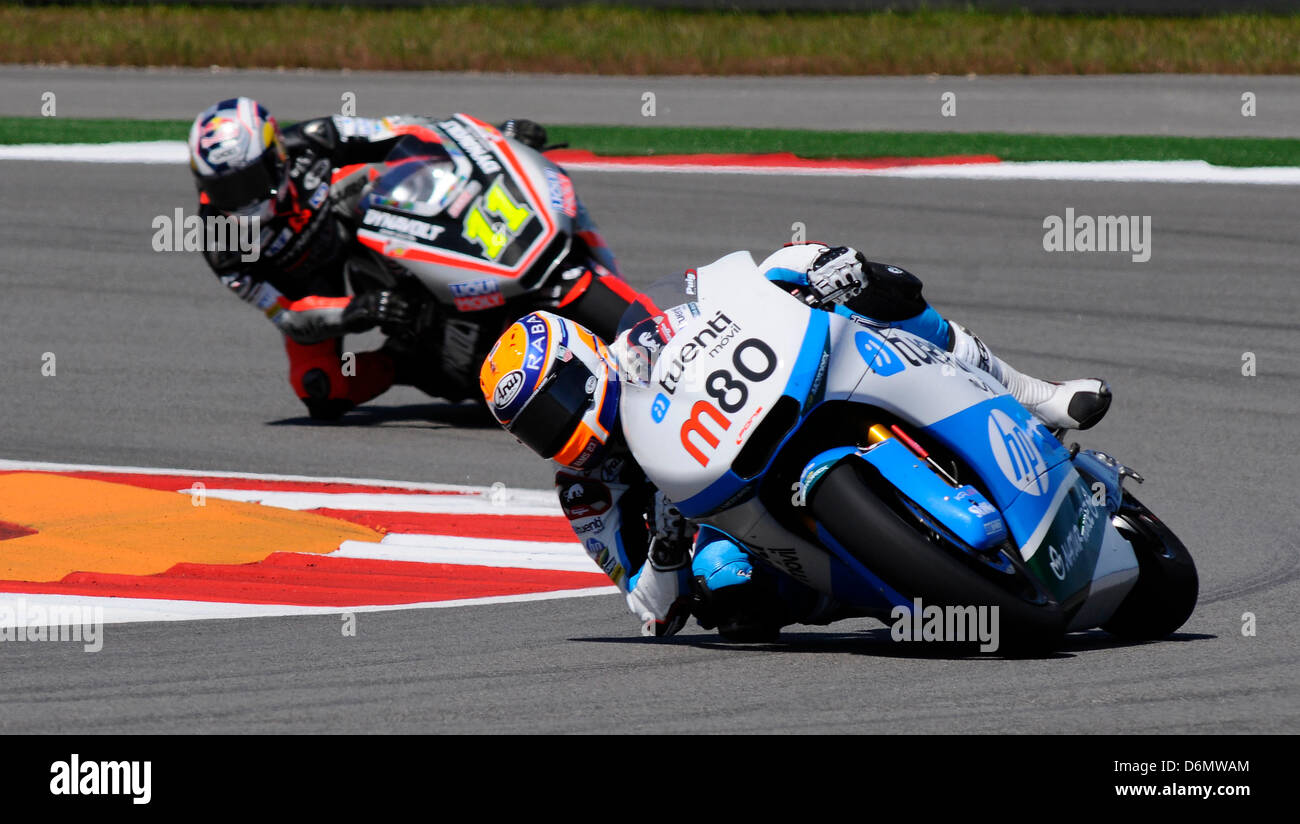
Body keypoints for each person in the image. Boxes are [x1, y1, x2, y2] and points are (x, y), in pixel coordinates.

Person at [478, 242, 1112, 640]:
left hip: (777, 399)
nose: (557, 435)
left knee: (860, 283)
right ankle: (885, 589)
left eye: (555, 408)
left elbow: (744, 283)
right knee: (728, 598)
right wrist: (669, 545)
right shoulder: (587, 492)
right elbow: (650, 608)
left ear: (587, 363)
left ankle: (1031, 393)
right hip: (735, 522)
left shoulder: (651, 333)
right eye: (537, 431)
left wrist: (807, 269)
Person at [188, 96, 595, 419]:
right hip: (319, 294)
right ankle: (407, 360)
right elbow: (287, 314)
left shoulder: (317, 138)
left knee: (383, 177)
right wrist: (355, 310)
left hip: (369, 225)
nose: (242, 200)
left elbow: (414, 129)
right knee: (322, 388)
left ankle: (475, 273)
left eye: (249, 181)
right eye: (226, 189)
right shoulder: (220, 243)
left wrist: (497, 142)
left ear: (276, 155)